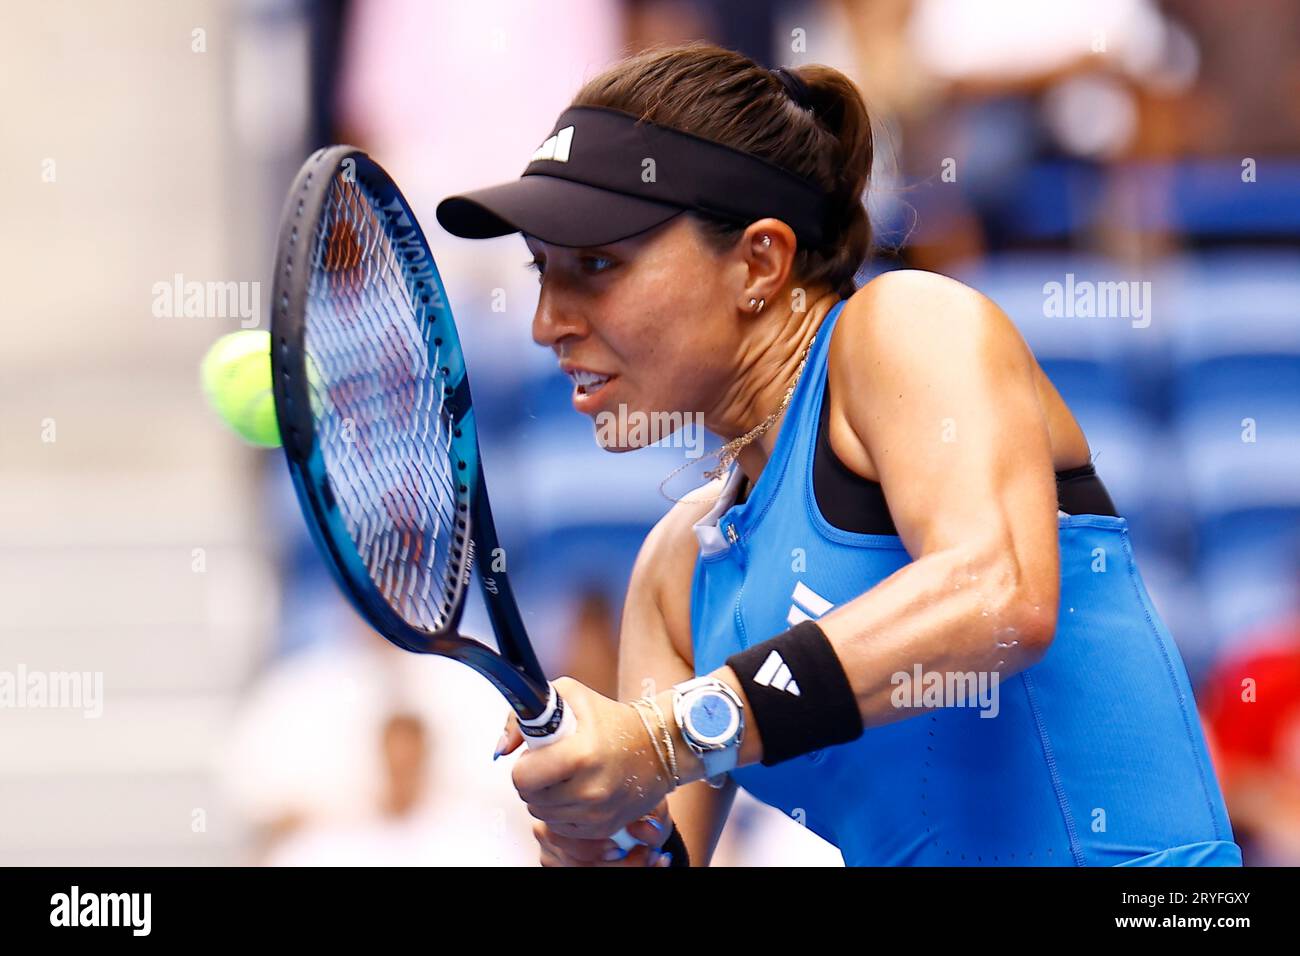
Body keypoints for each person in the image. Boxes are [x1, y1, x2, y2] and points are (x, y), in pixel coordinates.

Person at [435, 42, 1240, 867]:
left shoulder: (906, 325)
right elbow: (655, 845)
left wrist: (671, 731)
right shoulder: (674, 575)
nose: (546, 322)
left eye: (597, 264)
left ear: (760, 261)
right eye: (542, 271)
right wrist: (596, 837)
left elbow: (997, 594)